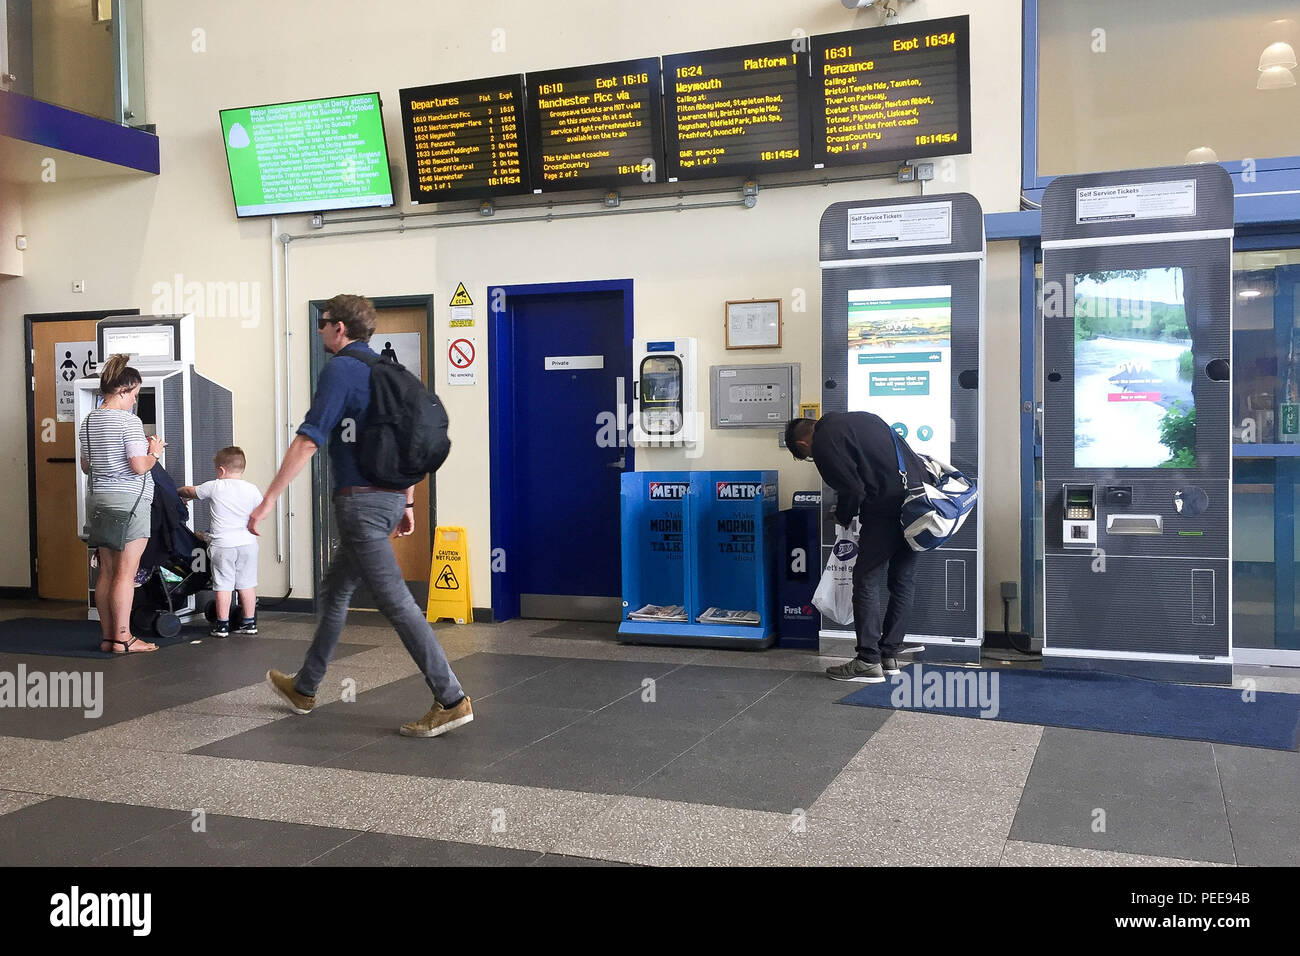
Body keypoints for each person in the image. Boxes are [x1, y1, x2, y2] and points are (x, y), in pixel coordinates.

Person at [249, 294, 472, 738]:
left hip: (361, 504)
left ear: (340, 329)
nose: (319, 331)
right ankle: (305, 687)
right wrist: (406, 502)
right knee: (335, 591)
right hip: (387, 500)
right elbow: (410, 445)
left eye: (322, 323)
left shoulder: (342, 370)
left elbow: (309, 439)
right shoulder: (391, 373)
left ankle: (451, 698)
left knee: (396, 602)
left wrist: (269, 498)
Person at [785, 412, 922, 683]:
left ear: (803, 444)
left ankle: (867, 661)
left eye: (809, 457)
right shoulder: (865, 420)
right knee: (903, 581)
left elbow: (853, 489)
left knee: (865, 580)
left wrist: (843, 516)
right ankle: (889, 654)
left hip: (884, 511)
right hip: (915, 507)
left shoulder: (824, 440)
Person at [79, 354, 166, 654]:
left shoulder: (88, 421)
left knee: (106, 571)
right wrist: (154, 451)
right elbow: (139, 466)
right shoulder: (129, 422)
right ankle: (124, 638)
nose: (134, 401)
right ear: (123, 391)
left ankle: (108, 638)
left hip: (99, 500)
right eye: (135, 395)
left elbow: (86, 466)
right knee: (125, 574)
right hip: (129, 503)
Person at [179, 446, 263, 638]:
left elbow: (190, 491)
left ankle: (222, 625)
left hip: (223, 544)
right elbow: (259, 511)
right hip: (248, 544)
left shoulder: (215, 485)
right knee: (247, 584)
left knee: (223, 584)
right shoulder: (252, 489)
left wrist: (178, 493)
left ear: (222, 470)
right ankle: (249, 623)